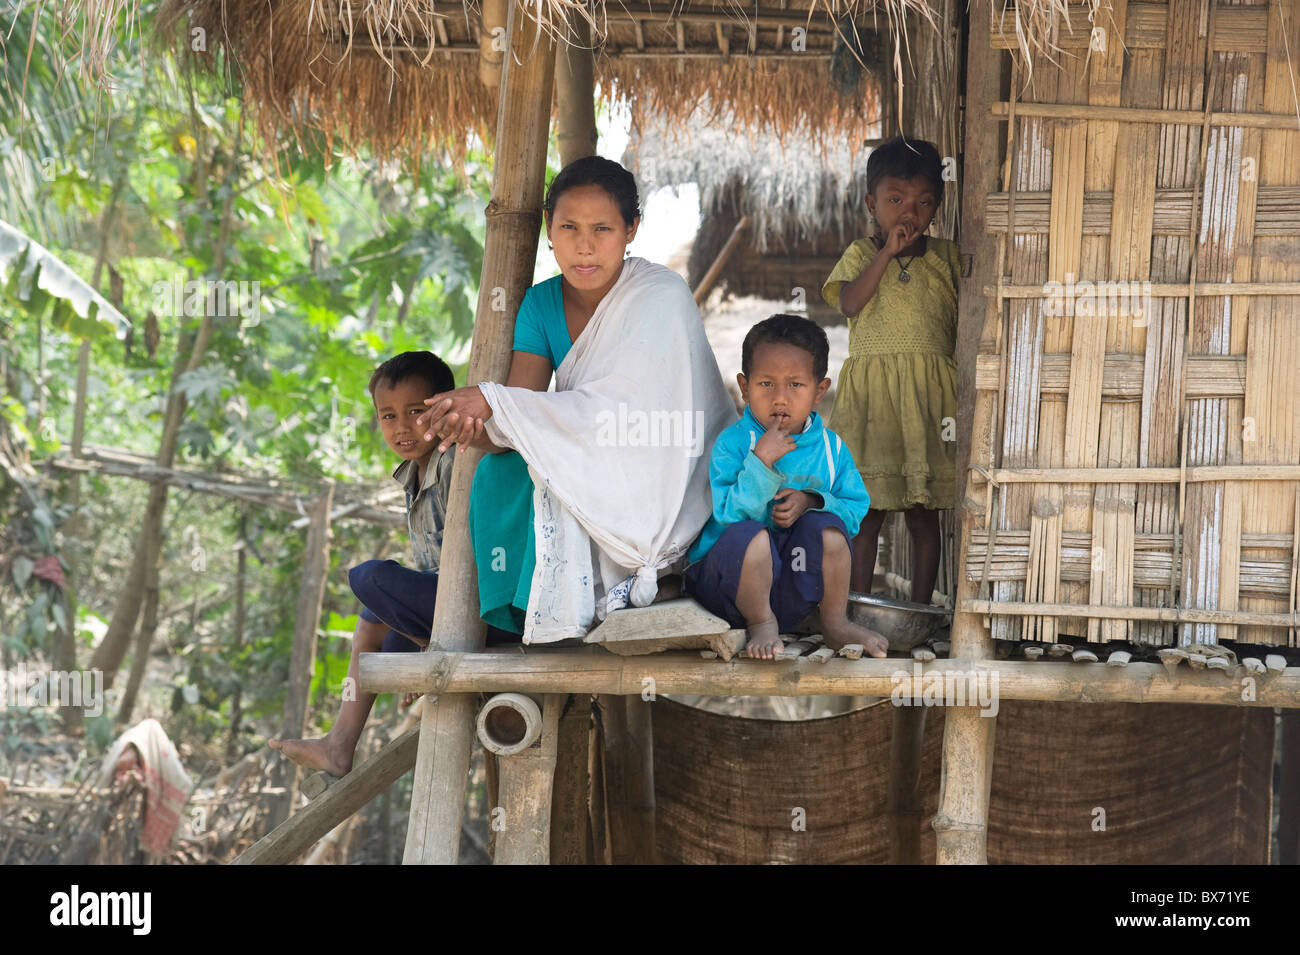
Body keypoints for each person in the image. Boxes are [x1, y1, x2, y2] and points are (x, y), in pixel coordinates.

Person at [417, 156, 736, 643]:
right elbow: (518, 421)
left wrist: (492, 402)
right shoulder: (541, 304)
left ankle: (649, 580)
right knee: (496, 474)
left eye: (602, 228)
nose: (584, 247)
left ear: (631, 230)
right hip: (583, 449)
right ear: (549, 228)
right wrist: (468, 426)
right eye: (569, 227)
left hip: (660, 463)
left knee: (565, 471)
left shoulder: (661, 294)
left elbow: (631, 417)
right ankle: (531, 612)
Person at [271, 351, 474, 777]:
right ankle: (339, 743)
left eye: (416, 412)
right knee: (373, 636)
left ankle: (423, 647)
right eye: (388, 416)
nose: (401, 427)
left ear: (445, 405)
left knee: (367, 578)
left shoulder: (460, 460)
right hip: (439, 610)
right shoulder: (412, 474)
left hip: (478, 610)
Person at [683, 315, 889, 660]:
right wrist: (760, 464)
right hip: (729, 592)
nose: (780, 398)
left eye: (795, 385)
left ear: (819, 391)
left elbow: (855, 511)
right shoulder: (733, 444)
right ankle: (762, 622)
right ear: (745, 388)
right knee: (752, 534)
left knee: (829, 530)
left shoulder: (830, 448)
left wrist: (812, 501)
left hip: (794, 591)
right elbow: (728, 514)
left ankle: (835, 622)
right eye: (766, 384)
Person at [822, 136, 960, 605]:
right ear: (871, 203)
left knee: (924, 516)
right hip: (874, 405)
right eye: (896, 200)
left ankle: (920, 609)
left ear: (937, 207)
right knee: (868, 513)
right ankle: (856, 606)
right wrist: (886, 254)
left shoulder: (947, 260)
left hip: (928, 403)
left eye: (923, 203)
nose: (909, 213)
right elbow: (849, 302)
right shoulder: (862, 255)